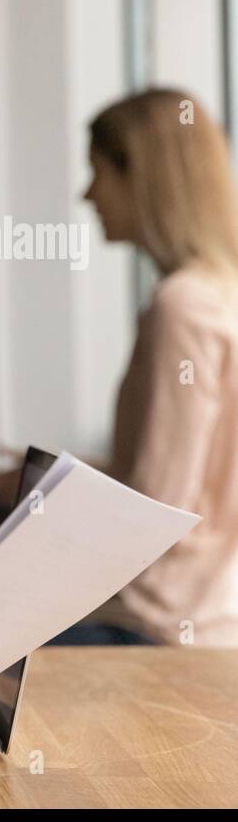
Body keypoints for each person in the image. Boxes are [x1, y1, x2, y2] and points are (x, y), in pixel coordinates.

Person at [73, 89, 238, 646]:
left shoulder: (181, 306)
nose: (88, 193)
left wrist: (51, 497)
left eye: (98, 172)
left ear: (141, 176)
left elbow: (159, 504)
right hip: (217, 616)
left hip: (159, 624)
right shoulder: (223, 295)